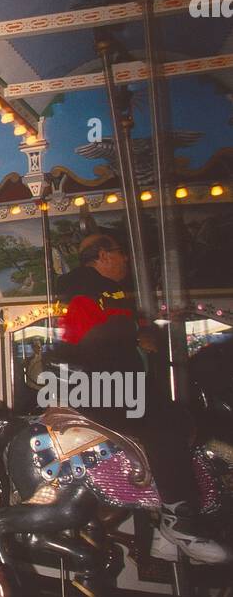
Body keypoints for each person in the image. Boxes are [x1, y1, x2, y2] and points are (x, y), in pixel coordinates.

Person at [54, 234, 228, 563]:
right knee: (165, 426)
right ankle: (179, 518)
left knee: (183, 417)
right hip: (103, 387)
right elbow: (83, 337)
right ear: (102, 255)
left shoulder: (115, 293)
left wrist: (146, 333)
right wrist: (133, 334)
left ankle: (165, 524)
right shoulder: (85, 290)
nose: (126, 260)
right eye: (120, 252)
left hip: (125, 383)